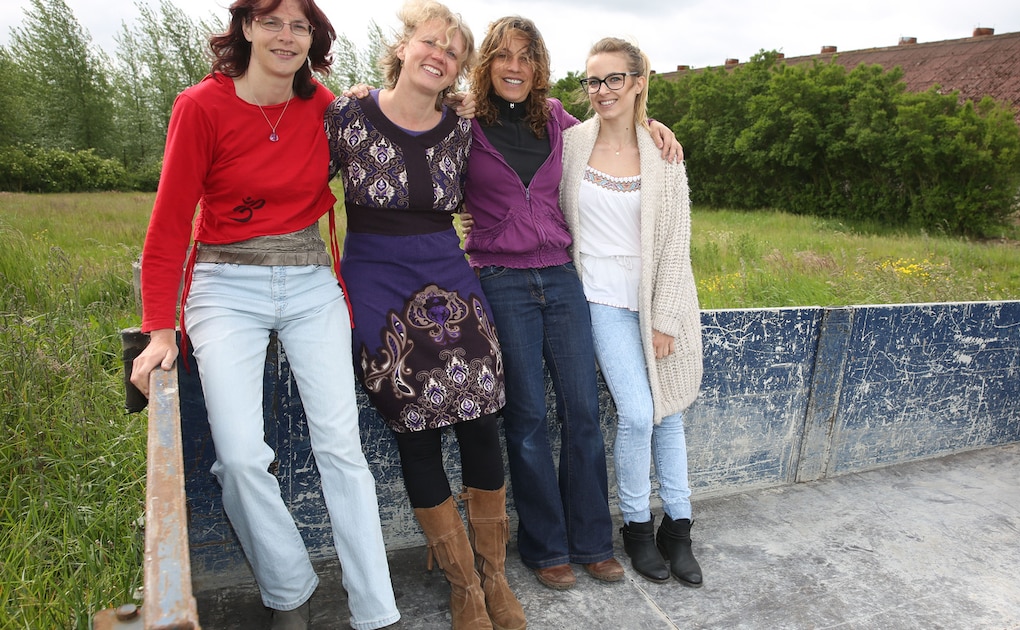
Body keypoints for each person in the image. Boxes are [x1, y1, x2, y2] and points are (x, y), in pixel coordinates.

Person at [129, 0, 402, 628]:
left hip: (309, 281)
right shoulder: (201, 105)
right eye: (272, 22)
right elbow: (169, 223)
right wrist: (159, 330)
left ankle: (376, 611)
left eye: (299, 26)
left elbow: (400, 126)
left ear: (313, 39)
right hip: (225, 285)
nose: (286, 36)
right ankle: (289, 590)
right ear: (247, 27)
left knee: (342, 448)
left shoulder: (326, 107)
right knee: (241, 458)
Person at [461, 16, 682, 591]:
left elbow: (615, 125)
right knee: (528, 418)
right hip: (501, 279)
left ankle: (592, 542)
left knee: (582, 411)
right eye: (503, 56)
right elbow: (410, 130)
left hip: (563, 278)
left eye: (527, 57)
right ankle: (546, 546)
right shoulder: (463, 122)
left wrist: (654, 126)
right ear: (487, 64)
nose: (515, 67)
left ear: (540, 66)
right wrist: (364, 92)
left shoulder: (557, 119)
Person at [324, 2, 523, 629]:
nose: (440, 55)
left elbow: (550, 126)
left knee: (482, 419)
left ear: (459, 70)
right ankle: (464, 587)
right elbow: (291, 169)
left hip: (450, 277)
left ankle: (495, 576)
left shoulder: (463, 125)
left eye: (453, 52)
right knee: (415, 428)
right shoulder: (346, 114)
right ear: (404, 45)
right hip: (376, 283)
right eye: (431, 42)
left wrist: (647, 122)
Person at [559, 38, 705, 588]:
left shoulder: (663, 153)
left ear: (639, 82)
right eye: (593, 81)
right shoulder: (571, 143)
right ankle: (638, 527)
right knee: (640, 413)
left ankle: (679, 529)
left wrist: (665, 319)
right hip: (599, 300)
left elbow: (676, 241)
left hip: (653, 302)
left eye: (614, 79)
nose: (602, 91)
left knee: (670, 412)